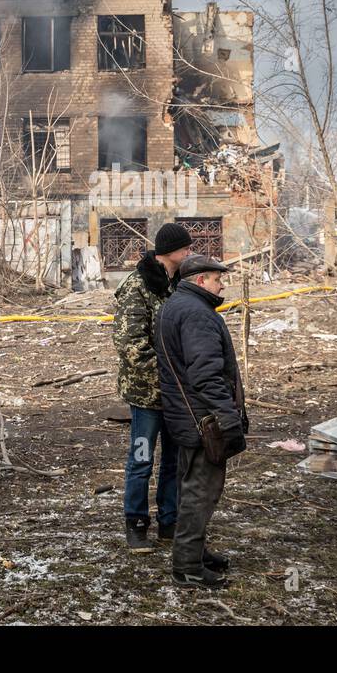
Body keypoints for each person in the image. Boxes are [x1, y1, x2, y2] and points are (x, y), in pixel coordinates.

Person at [155, 255, 248, 589]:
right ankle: (188, 568)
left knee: (190, 486)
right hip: (203, 420)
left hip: (184, 416)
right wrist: (227, 417)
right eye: (216, 279)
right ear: (199, 281)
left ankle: (194, 551)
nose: (222, 284)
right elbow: (206, 375)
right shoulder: (196, 314)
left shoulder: (175, 305)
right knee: (201, 492)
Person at [113, 223, 192, 552]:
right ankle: (136, 524)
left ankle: (169, 523)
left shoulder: (180, 285)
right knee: (142, 459)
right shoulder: (137, 285)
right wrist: (166, 378)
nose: (189, 252)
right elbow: (130, 343)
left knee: (174, 461)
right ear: (169, 251)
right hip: (147, 395)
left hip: (177, 395)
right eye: (185, 247)